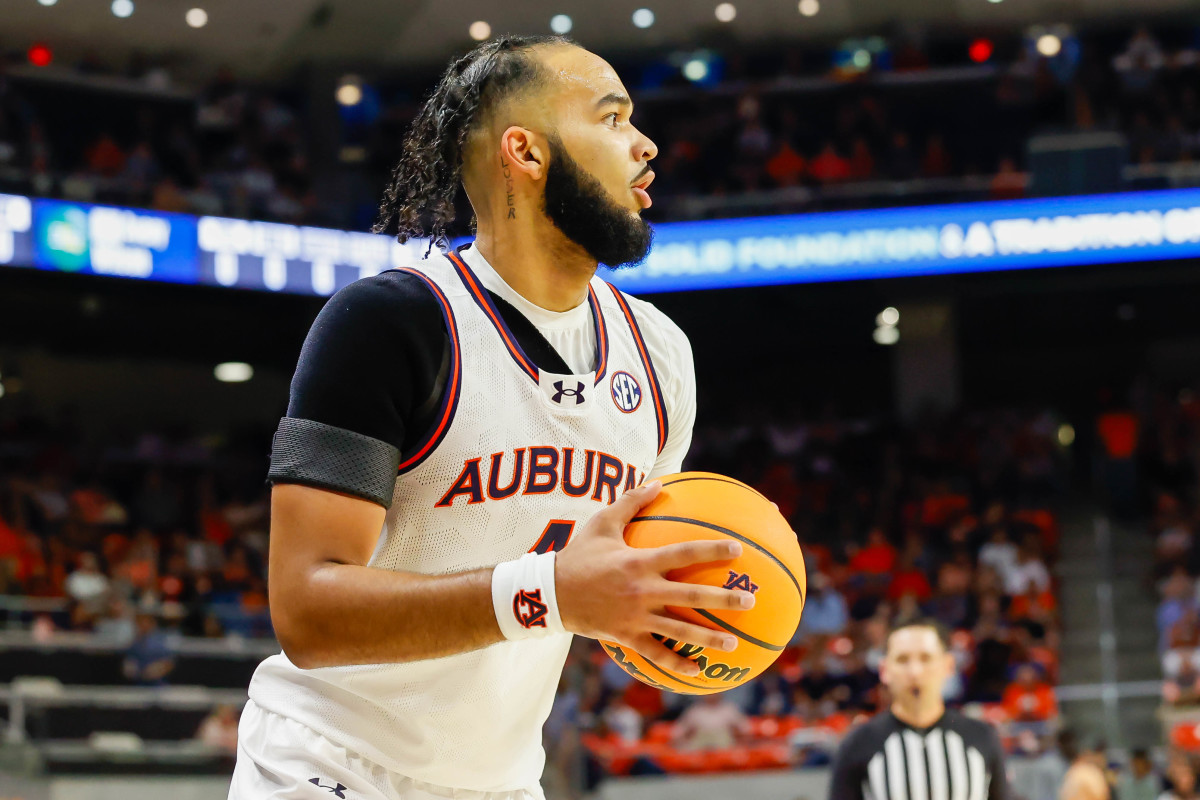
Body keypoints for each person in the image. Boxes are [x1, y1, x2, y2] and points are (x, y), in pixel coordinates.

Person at [227, 35, 755, 800]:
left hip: (499, 782)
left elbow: (599, 584)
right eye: (612, 119)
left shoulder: (660, 354)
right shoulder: (390, 324)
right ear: (527, 153)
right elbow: (306, 609)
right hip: (327, 761)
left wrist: (652, 621)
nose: (646, 145)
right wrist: (553, 592)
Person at [827, 618, 1008, 800]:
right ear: (884, 670)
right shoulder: (858, 743)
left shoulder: (981, 736)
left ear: (949, 665)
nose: (915, 671)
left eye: (926, 658)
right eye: (902, 659)